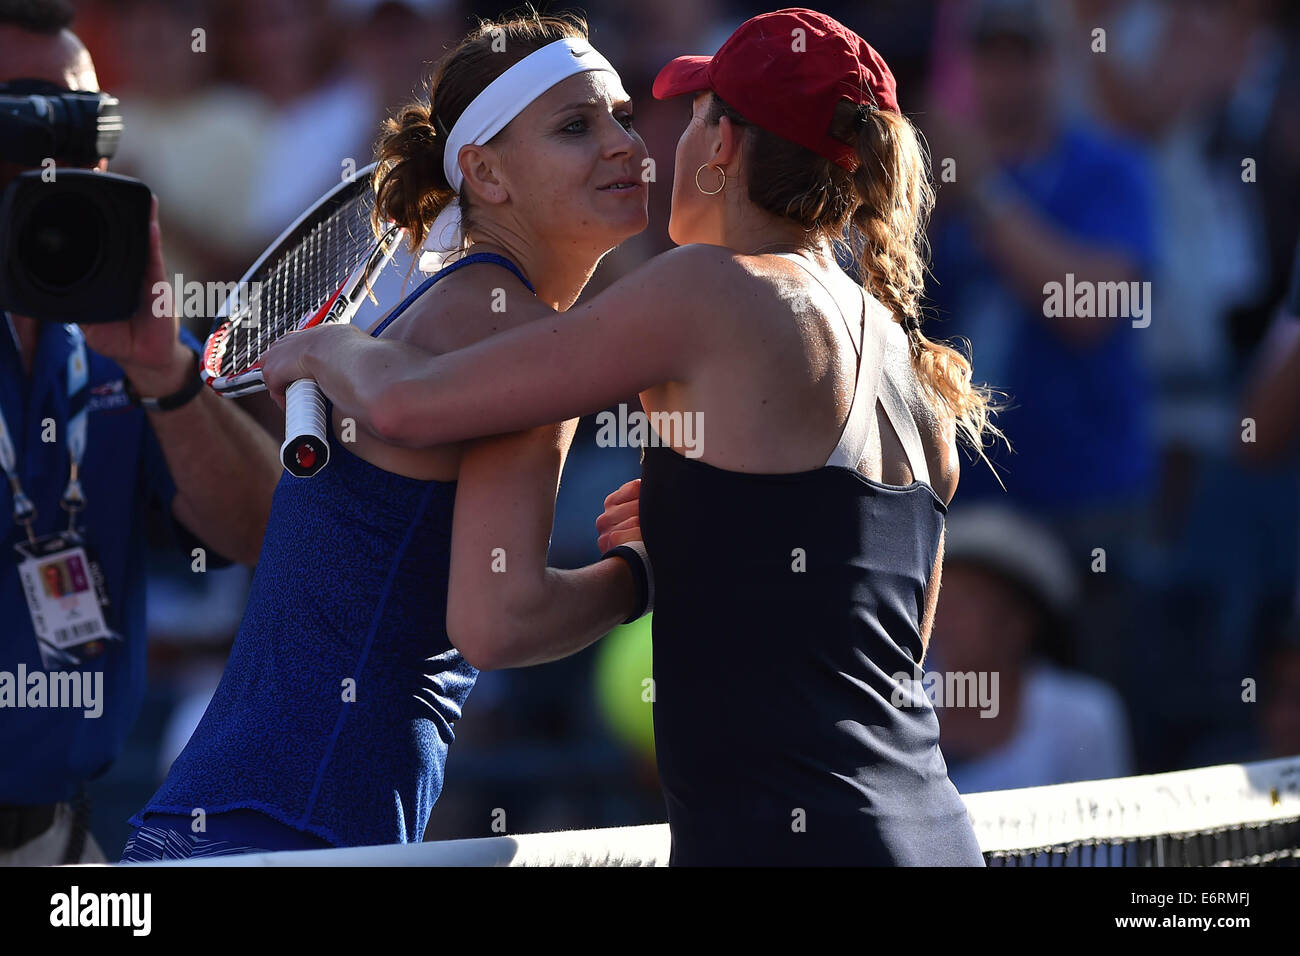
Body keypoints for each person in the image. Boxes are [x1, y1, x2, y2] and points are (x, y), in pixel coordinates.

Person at [265, 8, 1001, 866]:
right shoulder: (913, 373)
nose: (653, 147)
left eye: (689, 118)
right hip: (937, 838)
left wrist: (322, 343)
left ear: (722, 147)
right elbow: (862, 651)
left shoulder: (711, 288)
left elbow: (409, 403)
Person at [121, 11, 649, 861]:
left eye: (623, 115)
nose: (626, 144)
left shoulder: (455, 309)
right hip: (300, 834)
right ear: (486, 173)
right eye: (577, 126)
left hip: (235, 828)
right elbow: (500, 620)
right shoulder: (506, 324)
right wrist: (641, 574)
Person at [0, 0, 281, 866]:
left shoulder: (124, 335)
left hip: (53, 833)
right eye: (19, 111)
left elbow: (268, 533)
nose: (53, 150)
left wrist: (169, 382)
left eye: (86, 116)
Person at [927, 505, 1133, 793]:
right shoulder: (905, 699)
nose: (944, 620)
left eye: (967, 604)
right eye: (941, 601)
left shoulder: (1084, 718)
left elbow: (1105, 834)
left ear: (1019, 624)